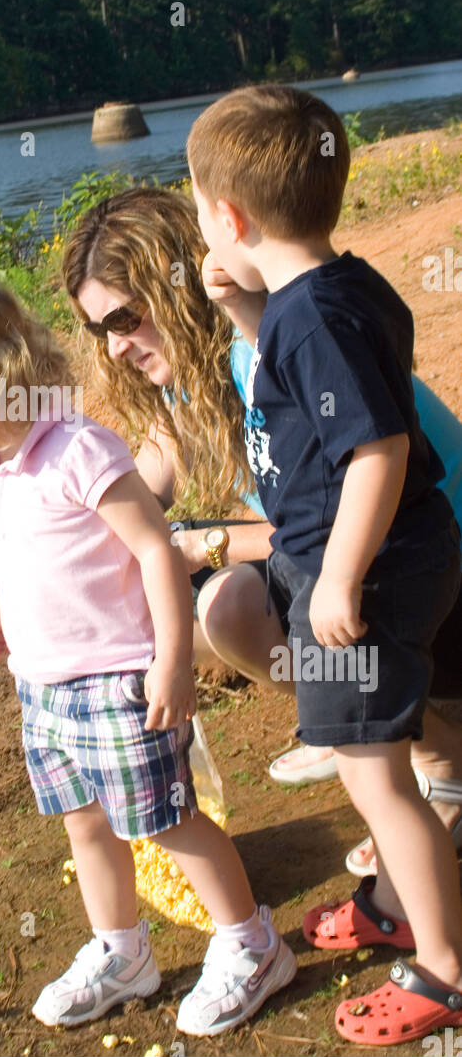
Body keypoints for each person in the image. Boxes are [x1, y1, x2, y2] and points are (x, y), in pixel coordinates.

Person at [0, 263, 295, 1036]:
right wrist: (3, 608)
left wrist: (169, 659)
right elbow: (44, 555)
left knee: (166, 820)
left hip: (118, 682)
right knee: (84, 824)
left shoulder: (77, 451)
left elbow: (157, 552)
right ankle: (123, 950)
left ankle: (251, 943)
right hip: (46, 689)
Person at [61, 186, 462, 881]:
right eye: (102, 330)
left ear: (176, 288)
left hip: (424, 557)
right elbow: (144, 487)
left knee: (230, 605)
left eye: (126, 318)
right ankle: (370, 734)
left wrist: (204, 545)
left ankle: (433, 764)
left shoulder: (260, 352)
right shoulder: (191, 377)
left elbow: (319, 523)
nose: (117, 346)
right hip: (370, 555)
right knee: (226, 606)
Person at [186, 82, 462, 1047]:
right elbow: (312, 399)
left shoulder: (313, 320)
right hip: (383, 561)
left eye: (197, 213)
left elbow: (375, 449)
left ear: (230, 216)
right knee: (371, 764)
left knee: (375, 777)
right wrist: (244, 316)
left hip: (365, 581)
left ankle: (441, 970)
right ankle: (395, 912)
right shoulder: (330, 293)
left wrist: (339, 580)